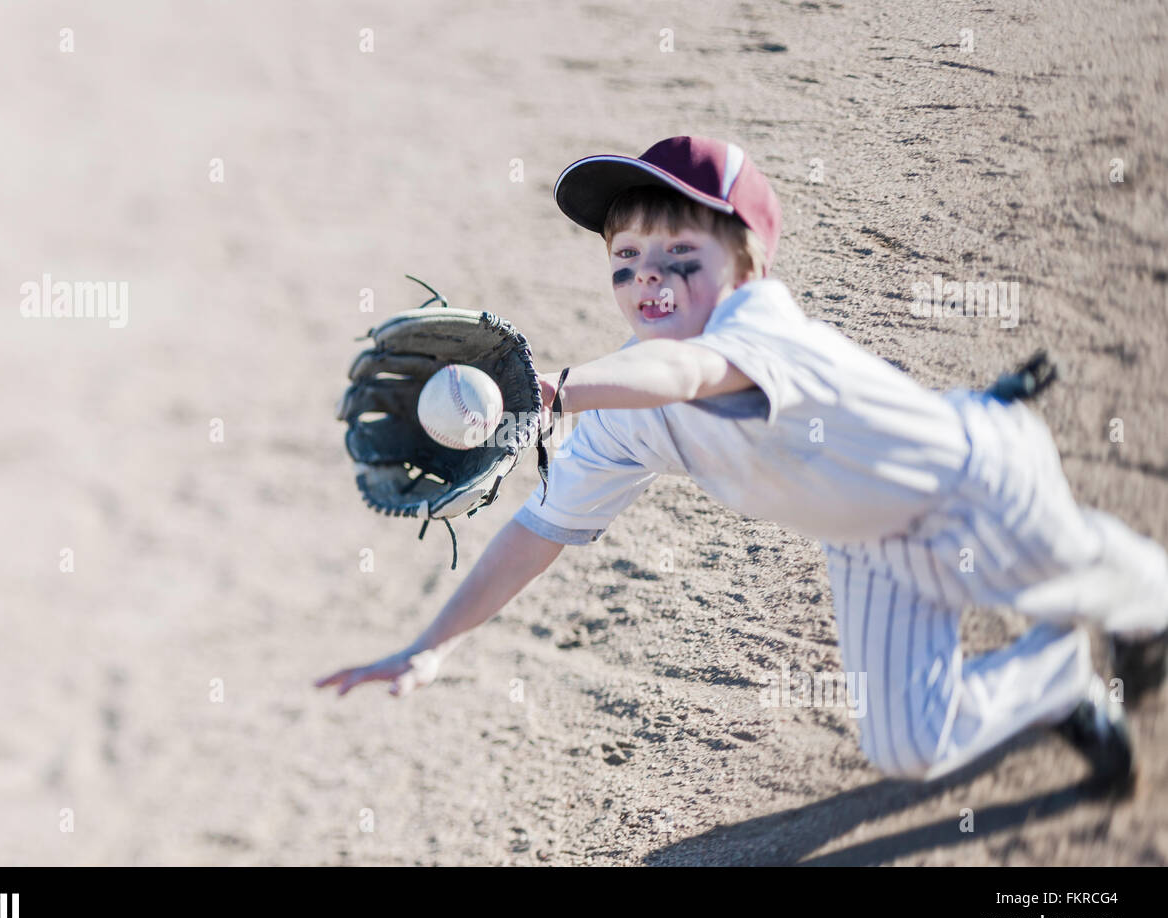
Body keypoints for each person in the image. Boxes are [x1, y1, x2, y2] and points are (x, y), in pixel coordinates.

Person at [316, 135, 1167, 789]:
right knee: (910, 745)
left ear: (748, 264)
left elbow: (684, 371)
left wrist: (558, 389)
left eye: (680, 257)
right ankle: (1055, 679)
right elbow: (538, 530)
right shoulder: (625, 414)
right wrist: (433, 645)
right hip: (869, 542)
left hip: (977, 484)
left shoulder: (761, 332)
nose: (649, 279)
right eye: (625, 263)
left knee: (1099, 579)